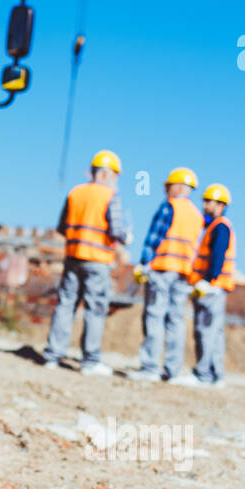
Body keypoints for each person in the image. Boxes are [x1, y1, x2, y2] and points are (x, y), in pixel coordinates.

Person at [41, 150, 132, 375]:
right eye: (115, 175)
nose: (116, 180)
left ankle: (52, 355)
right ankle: (90, 362)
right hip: (98, 260)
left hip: (73, 256)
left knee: (65, 305)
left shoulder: (75, 193)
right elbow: (117, 230)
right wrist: (126, 237)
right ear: (107, 174)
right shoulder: (111, 196)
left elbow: (62, 227)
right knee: (95, 309)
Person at [128, 167, 203, 383]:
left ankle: (150, 367)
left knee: (154, 315)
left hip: (162, 268)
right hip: (183, 274)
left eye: (169, 186)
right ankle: (172, 370)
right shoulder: (196, 216)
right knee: (176, 320)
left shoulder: (169, 207)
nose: (167, 190)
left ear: (178, 186)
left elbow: (155, 237)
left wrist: (144, 263)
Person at [171, 183, 235, 388]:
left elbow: (218, 255)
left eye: (209, 202)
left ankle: (203, 375)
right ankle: (216, 376)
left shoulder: (220, 226)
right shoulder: (213, 227)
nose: (205, 206)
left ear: (221, 205)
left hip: (212, 288)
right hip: (215, 287)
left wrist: (207, 281)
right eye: (205, 201)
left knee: (205, 330)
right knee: (213, 332)